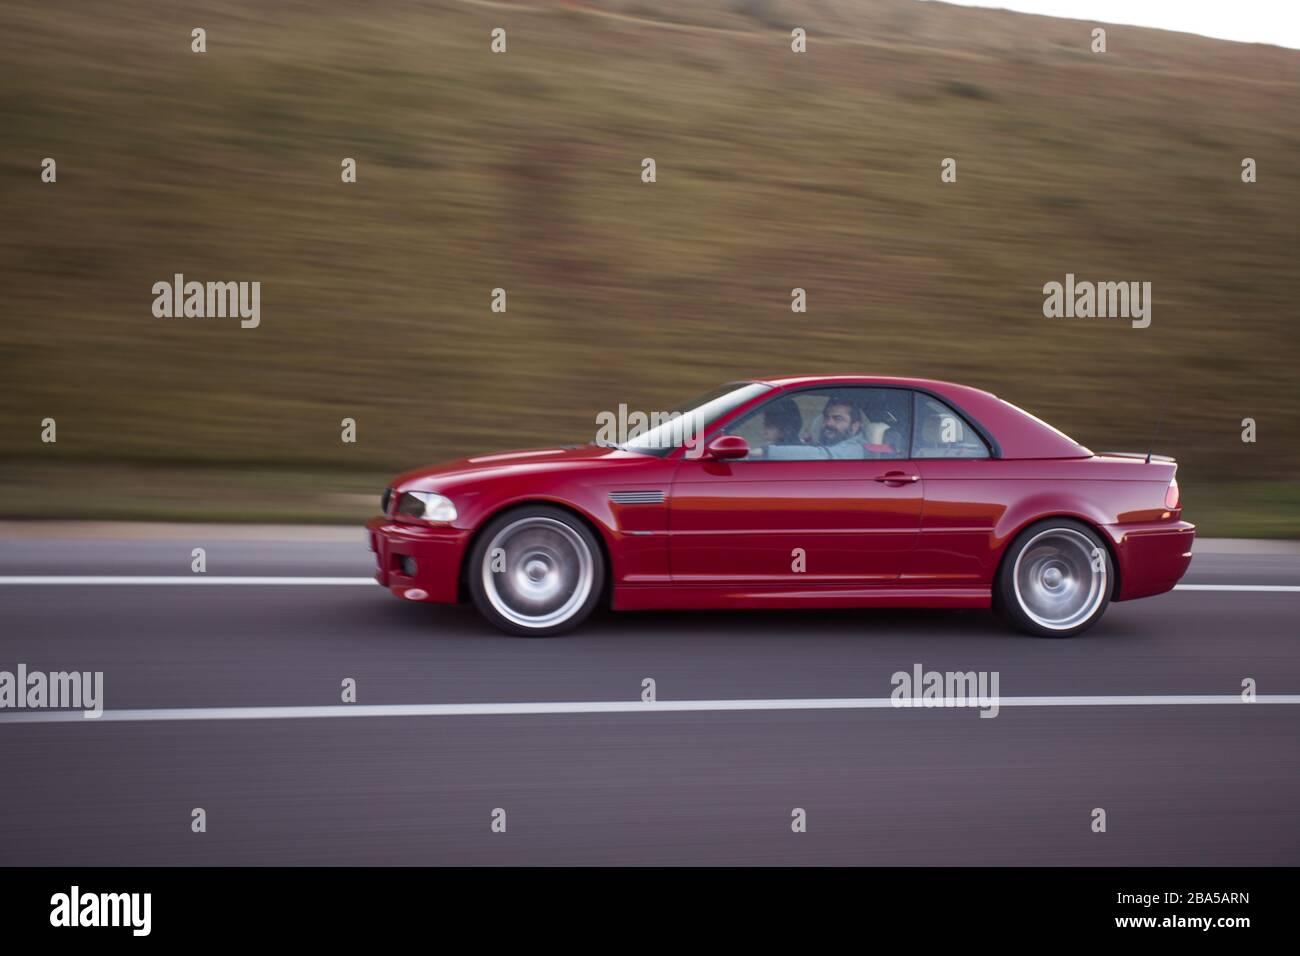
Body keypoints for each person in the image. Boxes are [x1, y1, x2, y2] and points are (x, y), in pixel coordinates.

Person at [766, 395, 866, 459]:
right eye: (827, 417)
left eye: (838, 419)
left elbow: (824, 456)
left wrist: (765, 452)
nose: (828, 423)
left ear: (855, 426)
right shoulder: (826, 443)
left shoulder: (855, 448)